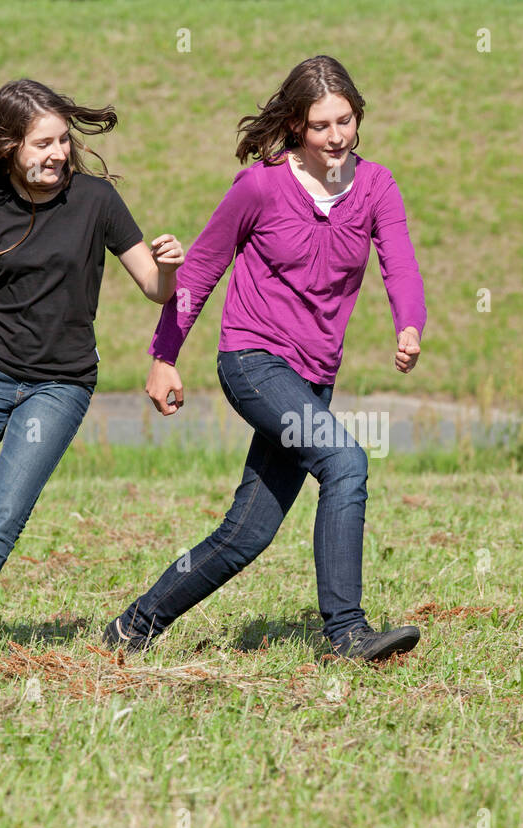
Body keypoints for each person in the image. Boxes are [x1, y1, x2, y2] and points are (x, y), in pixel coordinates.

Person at [105, 55, 427, 663]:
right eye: (321, 125)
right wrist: (163, 356)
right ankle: (347, 634)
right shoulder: (259, 185)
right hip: (252, 362)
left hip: (312, 377)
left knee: (246, 533)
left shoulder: (378, 186)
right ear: (297, 127)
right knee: (346, 462)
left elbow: (401, 263)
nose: (337, 137)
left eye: (346, 120)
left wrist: (409, 323)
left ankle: (134, 625)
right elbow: (198, 270)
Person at [0, 79, 183, 666]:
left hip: (60, 385)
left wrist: (168, 269)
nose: (57, 153)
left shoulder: (97, 202)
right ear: (9, 146)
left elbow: (156, 291)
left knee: (0, 516)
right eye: (42, 142)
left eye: (63, 141)